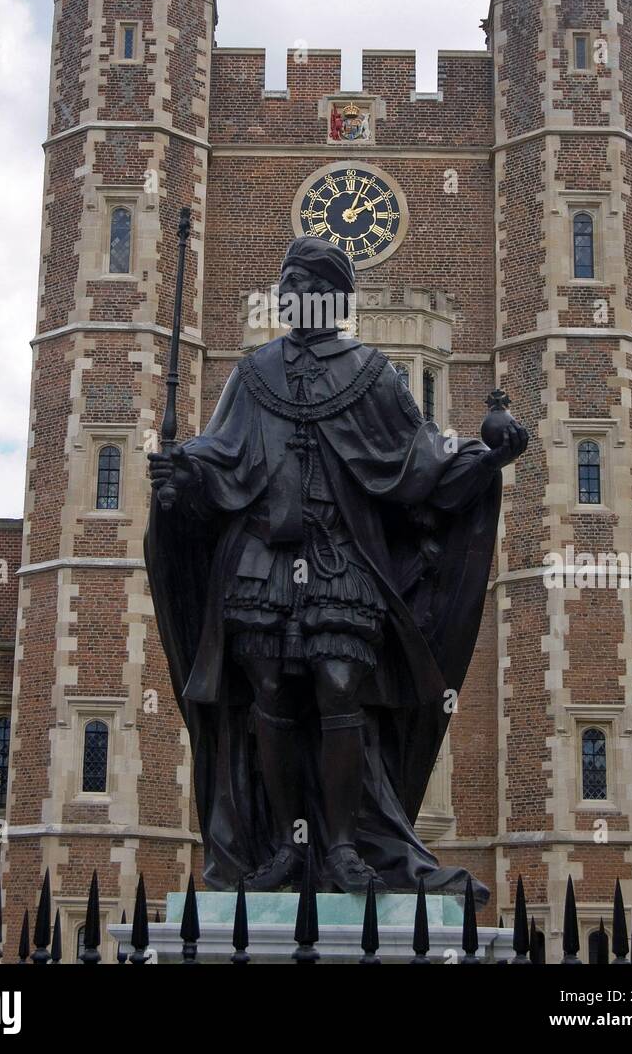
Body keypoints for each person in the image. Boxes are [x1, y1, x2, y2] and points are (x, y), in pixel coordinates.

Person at [146, 236, 528, 893]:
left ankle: (345, 848)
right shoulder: (253, 371)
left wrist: (483, 458)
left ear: (335, 299)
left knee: (340, 687)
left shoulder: (371, 373)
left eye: (311, 283)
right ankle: (290, 847)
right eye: (290, 282)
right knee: (267, 694)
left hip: (338, 556)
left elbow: (417, 458)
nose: (298, 293)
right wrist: (182, 467)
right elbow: (223, 453)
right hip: (262, 557)